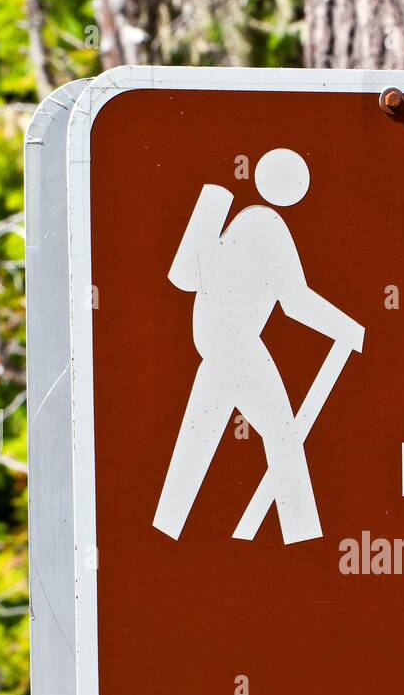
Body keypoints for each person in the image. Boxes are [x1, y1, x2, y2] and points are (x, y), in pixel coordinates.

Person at [154, 148, 364, 545]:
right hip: (237, 352)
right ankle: (302, 537)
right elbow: (295, 300)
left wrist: (348, 330)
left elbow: (289, 299)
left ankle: (165, 532)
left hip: (218, 353)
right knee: (281, 435)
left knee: (198, 443)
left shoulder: (250, 224)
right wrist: (350, 330)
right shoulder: (262, 225)